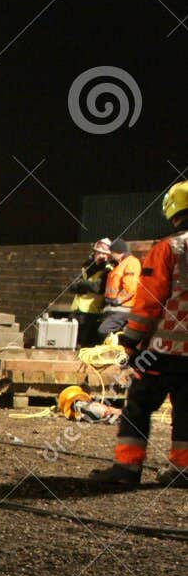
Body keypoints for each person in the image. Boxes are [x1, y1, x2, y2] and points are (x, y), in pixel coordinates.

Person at [91, 183, 188, 490]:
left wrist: (131, 340)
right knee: (186, 410)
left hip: (162, 350)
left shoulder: (169, 248)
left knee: (138, 405)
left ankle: (127, 468)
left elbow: (149, 302)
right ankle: (183, 470)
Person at [68, 238, 112, 346]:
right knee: (71, 342)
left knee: (85, 344)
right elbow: (71, 286)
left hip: (91, 312)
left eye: (104, 253)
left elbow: (98, 288)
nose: (101, 255)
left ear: (109, 256)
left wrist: (81, 284)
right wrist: (84, 285)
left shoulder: (108, 270)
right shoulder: (86, 266)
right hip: (76, 309)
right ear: (94, 252)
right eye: (98, 252)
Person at [98, 238, 141, 338]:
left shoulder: (131, 263)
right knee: (104, 334)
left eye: (111, 253)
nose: (110, 255)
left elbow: (130, 288)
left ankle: (117, 351)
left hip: (122, 308)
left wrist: (118, 300)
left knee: (104, 332)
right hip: (113, 308)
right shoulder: (119, 264)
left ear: (117, 251)